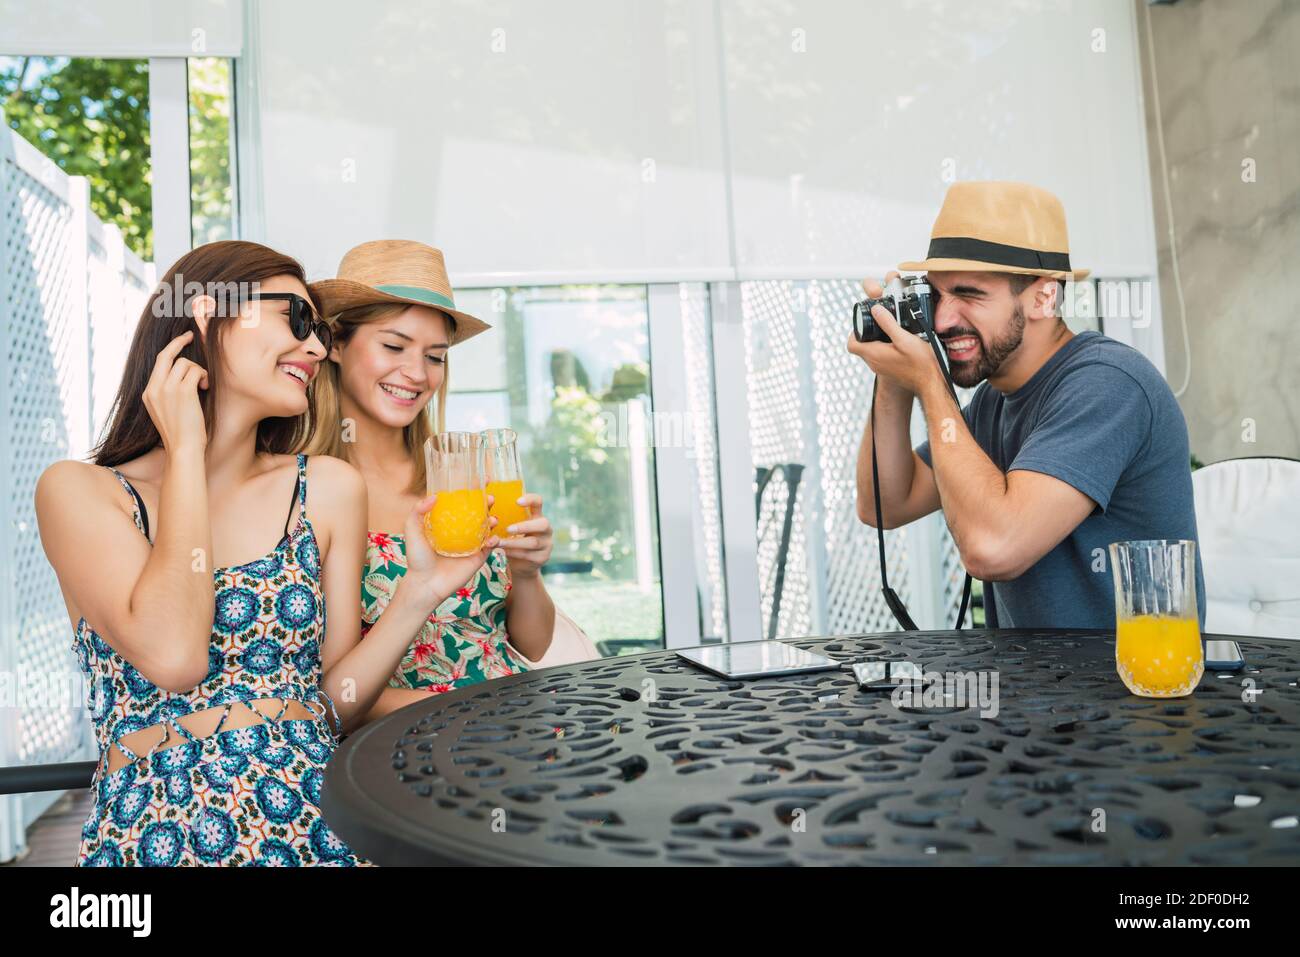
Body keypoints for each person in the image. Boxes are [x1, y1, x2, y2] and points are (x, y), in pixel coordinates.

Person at [35, 240, 491, 865]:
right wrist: (188, 452)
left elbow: (331, 707)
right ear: (204, 315)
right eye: (297, 321)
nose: (317, 348)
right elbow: (174, 656)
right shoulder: (82, 492)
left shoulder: (325, 488)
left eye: (322, 332)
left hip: (320, 828)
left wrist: (420, 592)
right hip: (156, 838)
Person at [849, 181, 1206, 629]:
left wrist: (928, 382)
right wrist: (894, 376)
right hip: (1029, 691)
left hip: (1127, 692)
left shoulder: (1108, 385)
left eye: (970, 294)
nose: (941, 320)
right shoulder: (992, 401)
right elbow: (886, 503)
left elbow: (993, 549)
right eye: (937, 296)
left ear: (1044, 296)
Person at [302, 240, 555, 720]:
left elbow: (532, 644)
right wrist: (476, 712)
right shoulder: (306, 492)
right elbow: (328, 699)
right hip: (417, 745)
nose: (417, 373)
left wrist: (526, 573)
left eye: (435, 357)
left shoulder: (465, 476)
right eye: (393, 346)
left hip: (519, 725)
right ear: (335, 343)